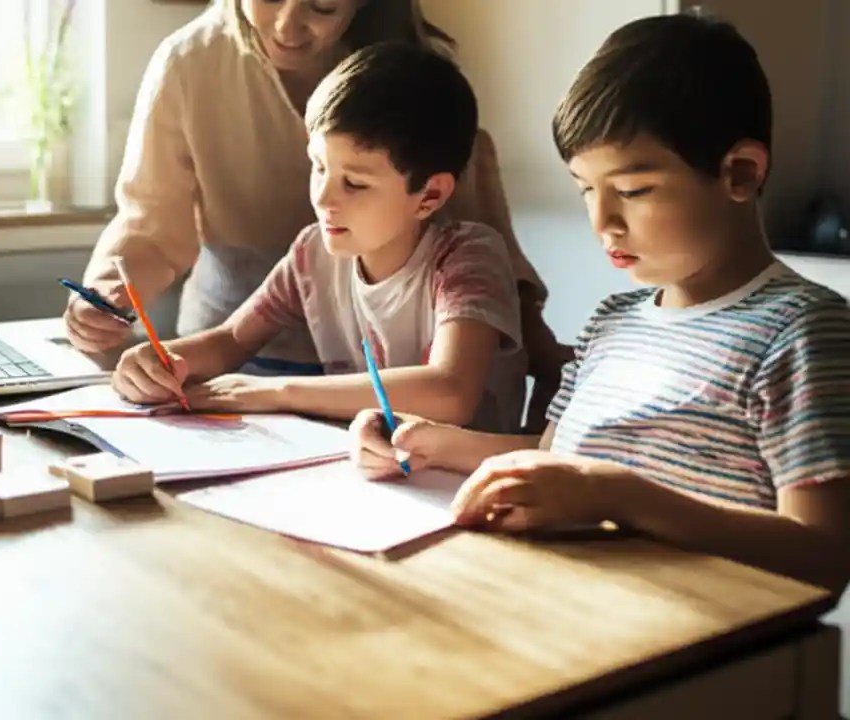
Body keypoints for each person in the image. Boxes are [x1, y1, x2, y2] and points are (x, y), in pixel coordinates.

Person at [351, 13, 850, 592]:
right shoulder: (612, 322)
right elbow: (555, 458)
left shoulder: (803, 331)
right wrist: (428, 441)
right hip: (572, 604)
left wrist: (615, 494)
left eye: (633, 191)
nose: (602, 221)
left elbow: (826, 554)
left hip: (705, 646)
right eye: (586, 189)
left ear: (739, 172)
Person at [63, 0, 569, 429]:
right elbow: (154, 226)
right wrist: (136, 328)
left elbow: (454, 377)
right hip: (272, 379)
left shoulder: (412, 77)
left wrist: (547, 361)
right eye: (316, 167)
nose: (287, 24)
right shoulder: (310, 251)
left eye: (322, 4)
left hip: (383, 406)